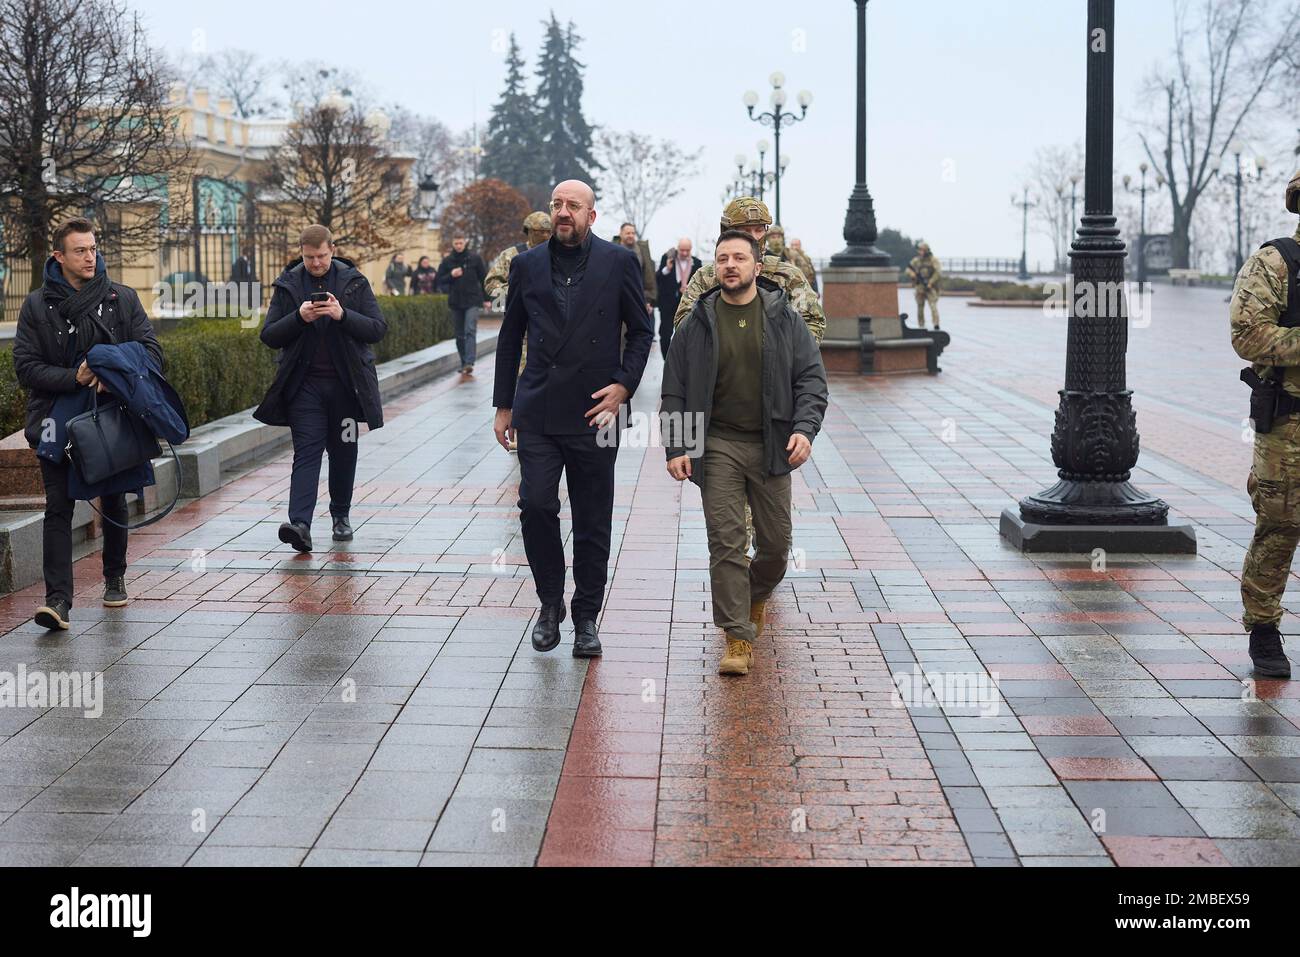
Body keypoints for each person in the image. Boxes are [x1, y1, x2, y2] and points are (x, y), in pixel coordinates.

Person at [492, 180, 653, 658]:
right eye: (557, 205)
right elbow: (509, 336)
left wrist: (624, 386)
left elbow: (643, 332)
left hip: (596, 410)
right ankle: (548, 603)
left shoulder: (620, 262)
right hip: (538, 407)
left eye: (573, 206)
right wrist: (504, 405)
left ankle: (585, 618)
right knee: (536, 505)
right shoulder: (525, 265)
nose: (563, 212)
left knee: (592, 518)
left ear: (591, 215)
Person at [662, 230, 827, 676]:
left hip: (772, 445)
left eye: (738, 258)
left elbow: (811, 380)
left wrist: (805, 430)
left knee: (775, 545)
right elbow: (674, 387)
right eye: (722, 259)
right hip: (717, 445)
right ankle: (737, 636)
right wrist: (677, 446)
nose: (730, 265)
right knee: (727, 541)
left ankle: (754, 596)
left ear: (757, 266)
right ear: (714, 268)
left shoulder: (784, 318)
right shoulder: (697, 322)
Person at [13, 217, 163, 630]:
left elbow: (152, 354)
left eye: (93, 248)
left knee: (113, 498)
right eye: (80, 250)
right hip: (55, 422)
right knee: (58, 507)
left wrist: (108, 370)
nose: (90, 256)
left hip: (109, 416)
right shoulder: (36, 305)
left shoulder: (121, 298)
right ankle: (57, 601)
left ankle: (115, 577)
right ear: (58, 256)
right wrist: (72, 377)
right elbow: (25, 368)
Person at [254, 225, 387, 554]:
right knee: (307, 452)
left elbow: (377, 329)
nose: (316, 262)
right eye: (310, 257)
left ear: (332, 249)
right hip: (305, 389)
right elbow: (269, 335)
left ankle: (340, 515)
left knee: (344, 451)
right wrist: (299, 317)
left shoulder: (353, 281)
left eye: (322, 256)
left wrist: (342, 315)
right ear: (301, 252)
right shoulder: (288, 285)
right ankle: (300, 524)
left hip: (346, 389)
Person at [1229, 169, 1300, 679]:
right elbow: (1247, 335)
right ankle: (1263, 629)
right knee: (1279, 526)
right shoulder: (1275, 262)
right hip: (1289, 428)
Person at [674, 197, 825, 343]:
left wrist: (787, 355)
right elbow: (684, 323)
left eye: (759, 230)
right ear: (728, 232)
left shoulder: (788, 276)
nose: (754, 237)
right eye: (746, 230)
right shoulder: (706, 277)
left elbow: (813, 321)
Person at [435, 236, 488, 375]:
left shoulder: (474, 258)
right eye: (456, 243)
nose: (459, 245)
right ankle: (464, 362)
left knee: (470, 330)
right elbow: (438, 280)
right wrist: (451, 275)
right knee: (459, 334)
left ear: (465, 243)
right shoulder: (448, 261)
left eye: (461, 243)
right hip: (456, 301)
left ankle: (470, 361)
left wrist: (487, 299)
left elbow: (484, 278)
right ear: (453, 244)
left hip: (472, 300)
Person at [485, 211, 553, 311]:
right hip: (518, 313)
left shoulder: (558, 254)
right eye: (541, 232)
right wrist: (515, 293)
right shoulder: (511, 255)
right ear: (529, 231)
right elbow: (491, 282)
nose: (546, 236)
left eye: (549, 232)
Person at [656, 237, 702, 359]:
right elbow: (658, 279)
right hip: (667, 304)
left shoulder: (697, 263)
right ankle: (667, 361)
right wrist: (667, 269)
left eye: (687, 250)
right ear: (678, 248)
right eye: (682, 250)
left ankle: (683, 363)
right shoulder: (667, 259)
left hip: (688, 304)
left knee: (686, 335)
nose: (685, 253)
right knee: (665, 335)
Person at [617, 222, 658, 319]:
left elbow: (649, 278)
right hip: (618, 298)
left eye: (633, 233)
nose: (631, 236)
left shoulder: (641, 251)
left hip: (639, 297)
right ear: (620, 234)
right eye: (628, 233)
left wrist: (648, 300)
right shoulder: (612, 250)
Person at [766, 226, 818, 291]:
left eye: (779, 237)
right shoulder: (763, 256)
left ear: (782, 239)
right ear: (768, 239)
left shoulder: (791, 254)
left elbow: (808, 272)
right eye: (773, 237)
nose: (776, 240)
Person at [906, 241, 942, 331]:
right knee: (920, 307)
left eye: (922, 250)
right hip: (920, 286)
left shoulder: (933, 260)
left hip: (930, 286)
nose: (920, 252)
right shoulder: (916, 260)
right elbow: (908, 269)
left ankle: (936, 324)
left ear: (926, 251)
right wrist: (912, 274)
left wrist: (931, 282)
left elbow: (938, 272)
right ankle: (921, 325)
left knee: (933, 306)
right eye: (920, 250)